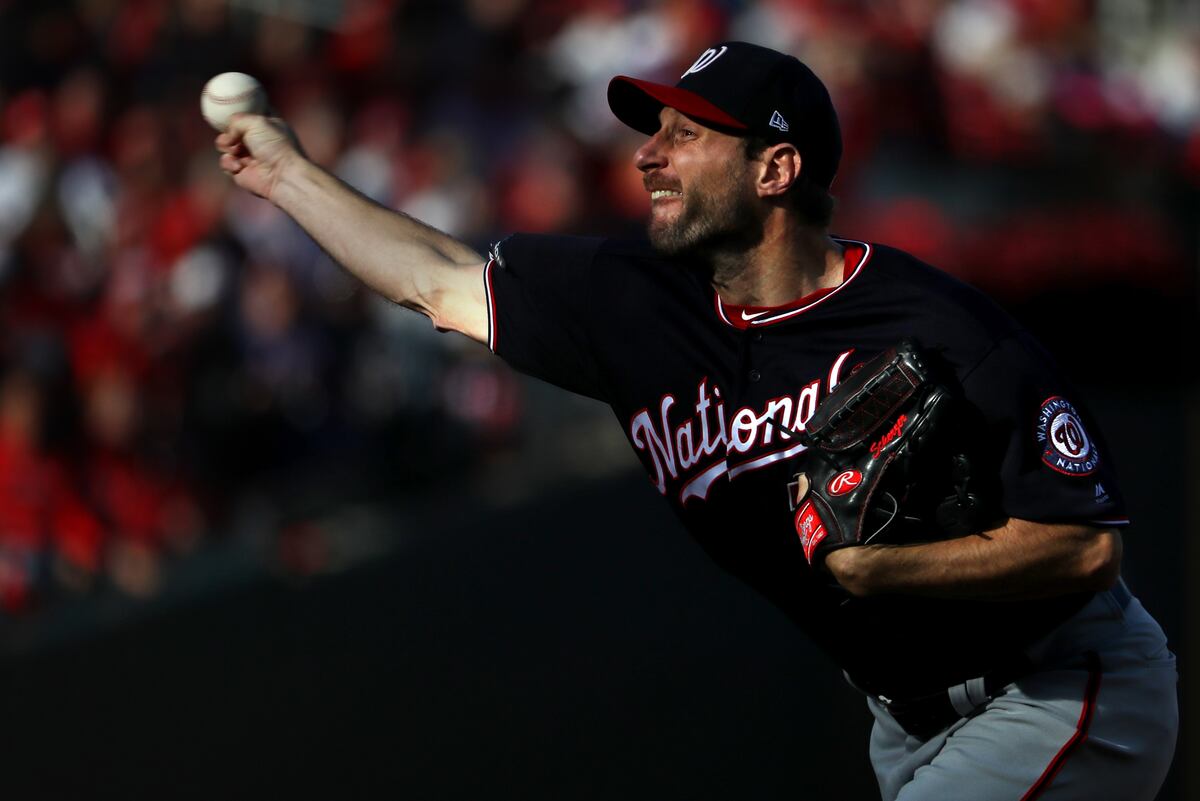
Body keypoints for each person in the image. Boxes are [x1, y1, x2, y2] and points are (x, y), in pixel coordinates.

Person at [215, 41, 1178, 801]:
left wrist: (882, 567)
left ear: (776, 169)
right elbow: (436, 276)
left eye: (688, 135)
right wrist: (288, 176)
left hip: (1055, 685)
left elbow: (1085, 548)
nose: (649, 153)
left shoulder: (938, 327)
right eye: (654, 130)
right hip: (905, 723)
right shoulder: (636, 307)